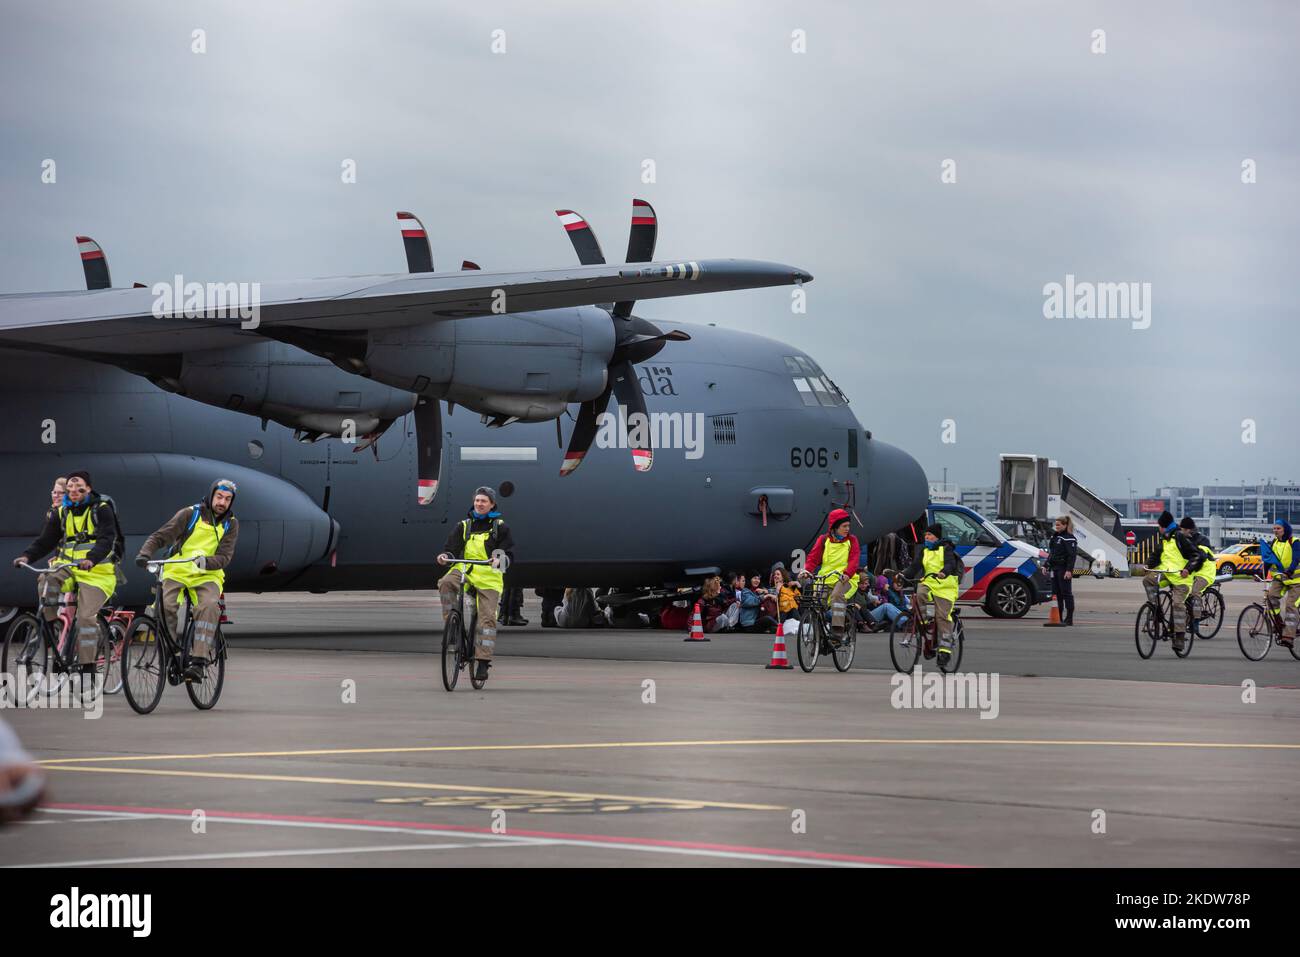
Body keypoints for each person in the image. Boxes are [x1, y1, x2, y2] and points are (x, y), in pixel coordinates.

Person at [12, 471, 122, 670]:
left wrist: (91, 559)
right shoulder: (61, 512)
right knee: (47, 579)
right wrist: (27, 556)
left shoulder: (102, 510)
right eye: (69, 488)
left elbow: (107, 540)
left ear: (88, 489)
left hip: (97, 573)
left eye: (78, 487)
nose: (73, 491)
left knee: (85, 618)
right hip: (69, 568)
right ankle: (51, 624)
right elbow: (46, 541)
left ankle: (87, 666)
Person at [135, 479, 240, 681]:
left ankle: (198, 661)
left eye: (227, 499)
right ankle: (171, 649)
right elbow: (160, 536)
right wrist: (145, 554)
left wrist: (206, 563)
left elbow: (225, 556)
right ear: (211, 496)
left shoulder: (231, 524)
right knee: (165, 605)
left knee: (208, 607)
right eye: (219, 497)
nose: (222, 502)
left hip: (208, 574)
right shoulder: (190, 514)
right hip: (178, 570)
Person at [437, 487, 515, 682]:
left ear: (492, 505)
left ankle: (482, 661)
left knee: (487, 618)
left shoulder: (500, 527)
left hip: (489, 576)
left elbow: (508, 553)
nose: (480, 504)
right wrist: (445, 556)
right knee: (446, 582)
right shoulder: (464, 525)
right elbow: (451, 550)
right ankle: (451, 623)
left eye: (484, 501)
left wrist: (499, 559)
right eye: (477, 500)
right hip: (466, 570)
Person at [1142, 510, 1203, 653]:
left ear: (1163, 526)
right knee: (1148, 580)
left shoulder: (1180, 537)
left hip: (1182, 578)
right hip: (1166, 574)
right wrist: (1147, 566)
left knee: (1177, 604)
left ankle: (1180, 637)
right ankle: (1155, 609)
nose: (1158, 528)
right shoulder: (1164, 538)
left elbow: (1196, 555)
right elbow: (1156, 555)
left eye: (1159, 526)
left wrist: (1188, 569)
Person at [898, 523, 961, 659]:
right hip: (929, 582)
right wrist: (903, 575)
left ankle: (945, 650)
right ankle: (924, 622)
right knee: (919, 593)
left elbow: (951, 564)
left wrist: (944, 572)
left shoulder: (946, 548)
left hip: (945, 585)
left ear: (936, 537)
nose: (926, 537)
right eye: (925, 535)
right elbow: (914, 567)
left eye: (929, 535)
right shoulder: (924, 551)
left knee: (942, 616)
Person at [801, 509, 861, 638]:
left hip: (846, 579)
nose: (847, 529)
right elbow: (813, 558)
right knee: (815, 601)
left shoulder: (852, 540)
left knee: (836, 596)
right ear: (834, 527)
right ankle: (818, 635)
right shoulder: (823, 540)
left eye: (848, 526)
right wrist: (807, 571)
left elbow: (854, 560)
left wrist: (847, 573)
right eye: (844, 526)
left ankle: (838, 630)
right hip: (826, 578)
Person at [1264, 518, 1299, 649]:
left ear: (1285, 529)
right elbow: (1268, 560)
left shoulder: (1294, 542)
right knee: (1271, 597)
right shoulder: (1274, 542)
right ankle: (1278, 623)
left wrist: (1290, 570)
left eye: (1278, 528)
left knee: (1291, 605)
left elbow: (1296, 557)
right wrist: (1260, 573)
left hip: (1297, 580)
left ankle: (1289, 636)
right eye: (1274, 528)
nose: (1275, 531)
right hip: (1281, 578)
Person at [1180, 517, 1217, 633]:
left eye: (1183, 530)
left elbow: (1200, 558)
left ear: (1189, 531)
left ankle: (1195, 620)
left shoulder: (1202, 541)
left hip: (1205, 572)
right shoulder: (1183, 540)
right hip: (1193, 571)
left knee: (1195, 591)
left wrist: (1188, 569)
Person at [1043, 516, 1078, 627]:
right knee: (1056, 594)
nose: (1056, 527)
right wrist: (1046, 565)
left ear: (1065, 525)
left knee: (1066, 593)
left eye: (1059, 525)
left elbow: (1071, 556)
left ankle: (1069, 618)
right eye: (1056, 525)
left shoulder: (1069, 538)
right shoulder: (1056, 537)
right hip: (1055, 568)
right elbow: (1052, 553)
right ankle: (1058, 617)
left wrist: (1069, 570)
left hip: (1063, 569)